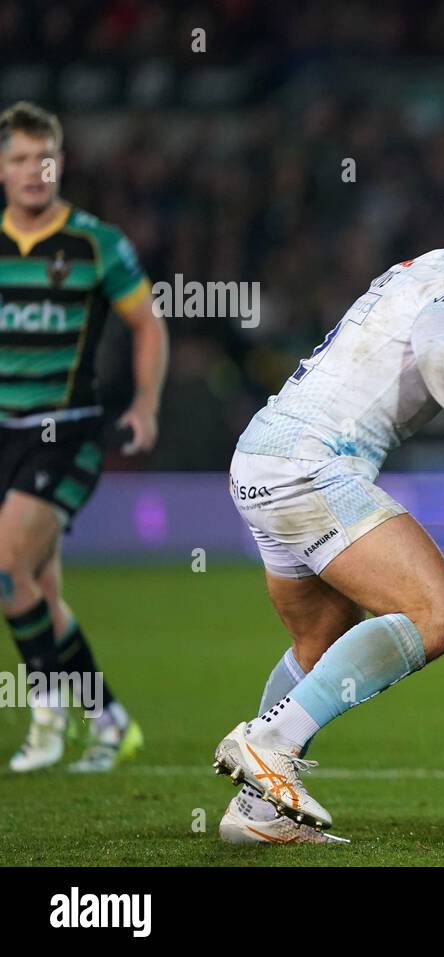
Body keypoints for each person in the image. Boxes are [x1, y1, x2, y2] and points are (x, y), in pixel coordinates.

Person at [212, 168, 444, 843]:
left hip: (261, 458)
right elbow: (437, 352)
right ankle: (270, 743)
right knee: (439, 613)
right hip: (310, 465)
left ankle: (258, 814)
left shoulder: (428, 276)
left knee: (321, 639)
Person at [0, 101, 167, 773]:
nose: (33, 171)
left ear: (60, 164)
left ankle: (47, 720)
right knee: (39, 590)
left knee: (7, 566)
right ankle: (111, 720)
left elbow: (147, 323)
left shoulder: (96, 242)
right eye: (17, 159)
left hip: (65, 434)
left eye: (44, 159)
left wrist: (147, 403)